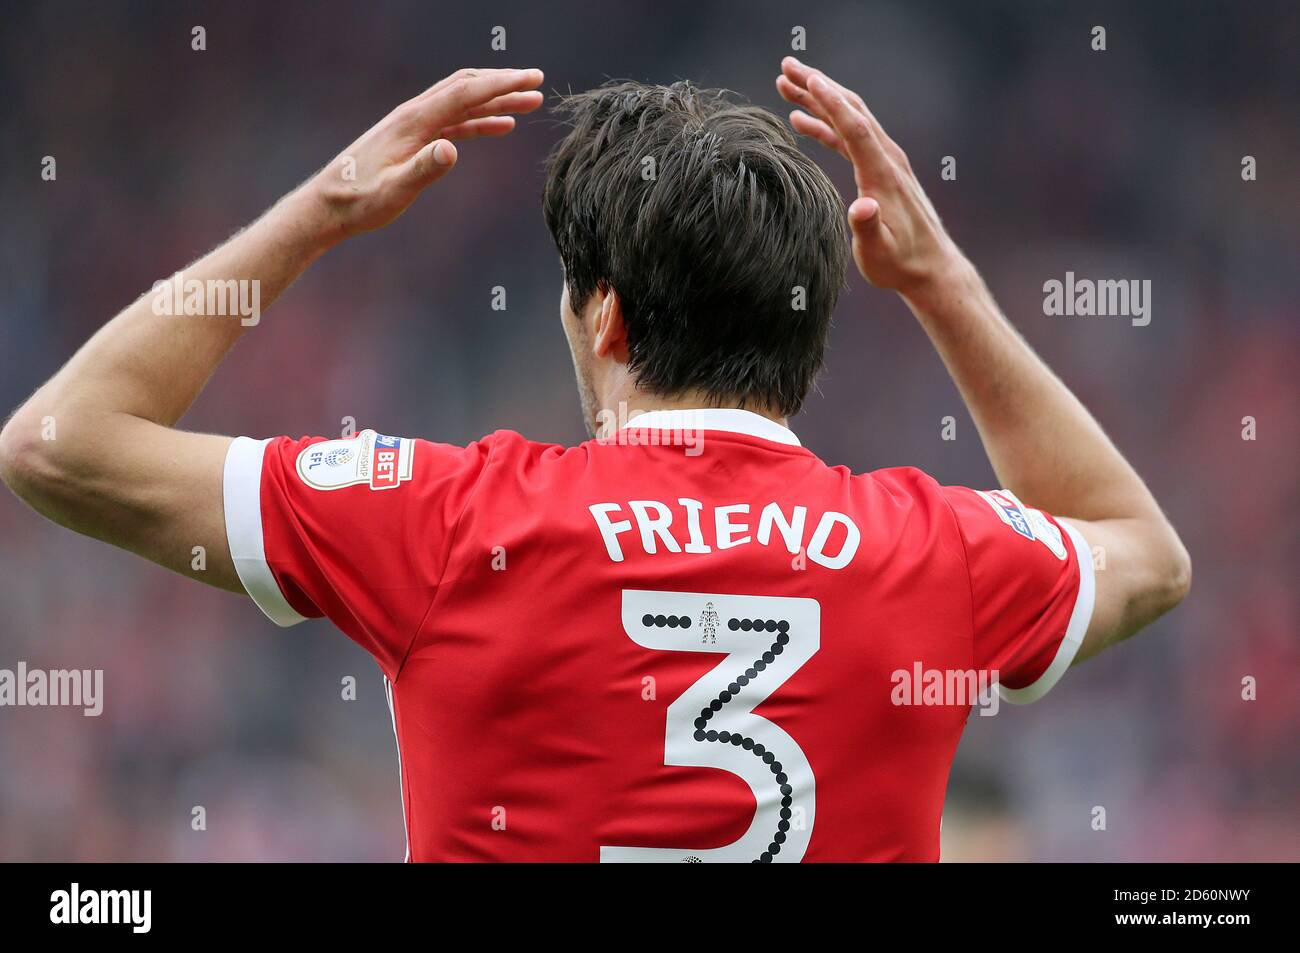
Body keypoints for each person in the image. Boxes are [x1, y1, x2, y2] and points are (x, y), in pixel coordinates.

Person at [0, 59, 1190, 861]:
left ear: (605, 318)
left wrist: (321, 205)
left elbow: (59, 446)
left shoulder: (449, 519)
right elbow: (1144, 550)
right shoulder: (938, 553)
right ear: (806, 325)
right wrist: (944, 286)